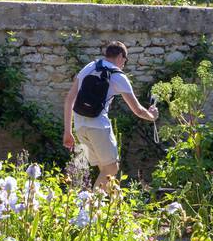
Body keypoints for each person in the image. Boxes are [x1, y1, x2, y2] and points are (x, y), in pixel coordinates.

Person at [63, 41, 159, 191]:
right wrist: (152, 116)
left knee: (105, 170)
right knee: (112, 168)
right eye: (125, 61)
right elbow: (138, 110)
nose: (123, 65)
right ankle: (87, 207)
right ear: (121, 56)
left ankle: (111, 208)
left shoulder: (89, 67)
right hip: (99, 126)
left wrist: (68, 132)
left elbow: (70, 99)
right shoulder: (118, 75)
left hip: (80, 126)